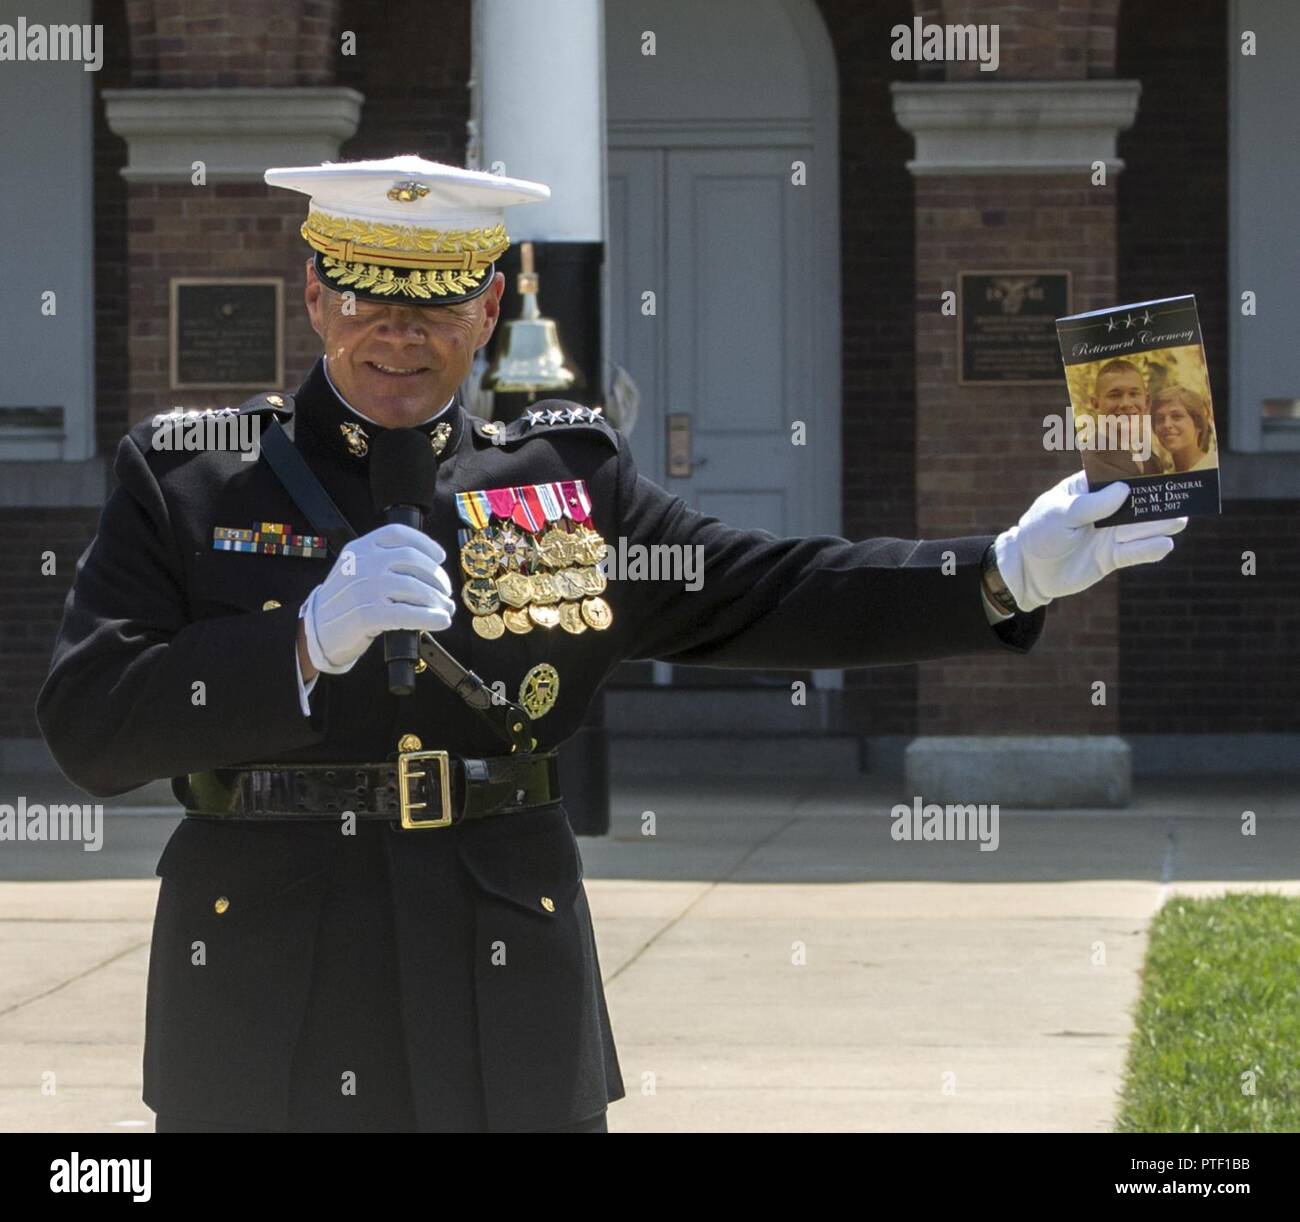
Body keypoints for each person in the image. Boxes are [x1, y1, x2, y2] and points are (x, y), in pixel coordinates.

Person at [35, 156, 1189, 1133]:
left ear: (487, 310)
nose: (401, 334)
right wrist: (299, 645)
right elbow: (91, 724)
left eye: (435, 302)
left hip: (499, 958)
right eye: (368, 297)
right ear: (314, 296)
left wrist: (995, 572)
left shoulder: (559, 481)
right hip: (264, 965)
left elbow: (762, 592)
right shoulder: (189, 477)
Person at [1082, 358, 1166, 483]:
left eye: (1134, 394)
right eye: (1114, 395)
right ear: (1096, 404)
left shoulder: (1153, 461)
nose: (1126, 404)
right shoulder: (1087, 463)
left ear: (1147, 402)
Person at [1151, 384, 1217, 473]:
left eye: (1176, 416)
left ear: (1198, 424)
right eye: (1160, 419)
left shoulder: (1214, 466)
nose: (1166, 425)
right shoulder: (1164, 476)